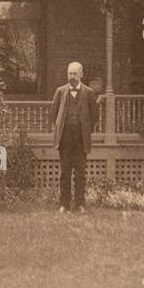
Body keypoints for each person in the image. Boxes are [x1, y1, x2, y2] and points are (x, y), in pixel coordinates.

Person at [50, 61, 97, 213]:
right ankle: (64, 204)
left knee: (80, 173)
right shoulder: (60, 91)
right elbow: (53, 114)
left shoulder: (89, 93)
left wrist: (84, 130)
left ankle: (80, 204)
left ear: (81, 74)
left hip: (81, 139)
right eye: (70, 73)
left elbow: (94, 116)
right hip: (65, 139)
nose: (72, 77)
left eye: (75, 73)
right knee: (65, 172)